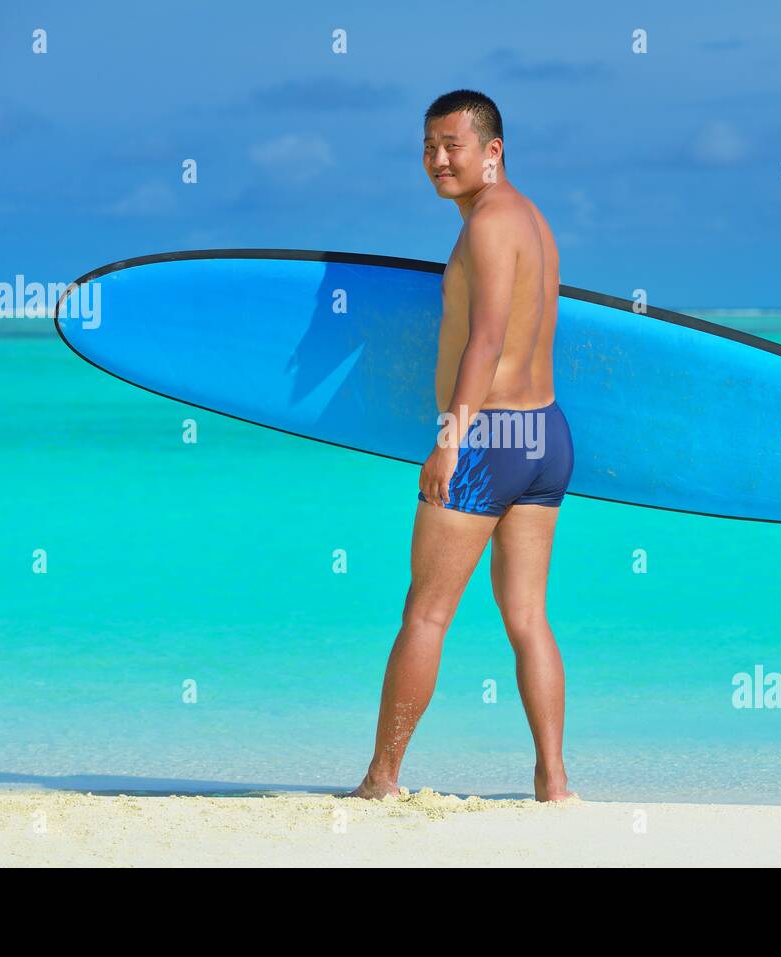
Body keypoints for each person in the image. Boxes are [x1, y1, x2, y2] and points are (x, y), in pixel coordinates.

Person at [349, 90, 576, 802]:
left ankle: (382, 779)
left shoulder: (486, 225)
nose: (438, 159)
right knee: (528, 617)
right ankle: (554, 782)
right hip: (544, 433)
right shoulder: (532, 220)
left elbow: (485, 338)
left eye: (453, 145)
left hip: (487, 439)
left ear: (492, 151)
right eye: (428, 146)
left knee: (426, 612)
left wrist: (451, 437)